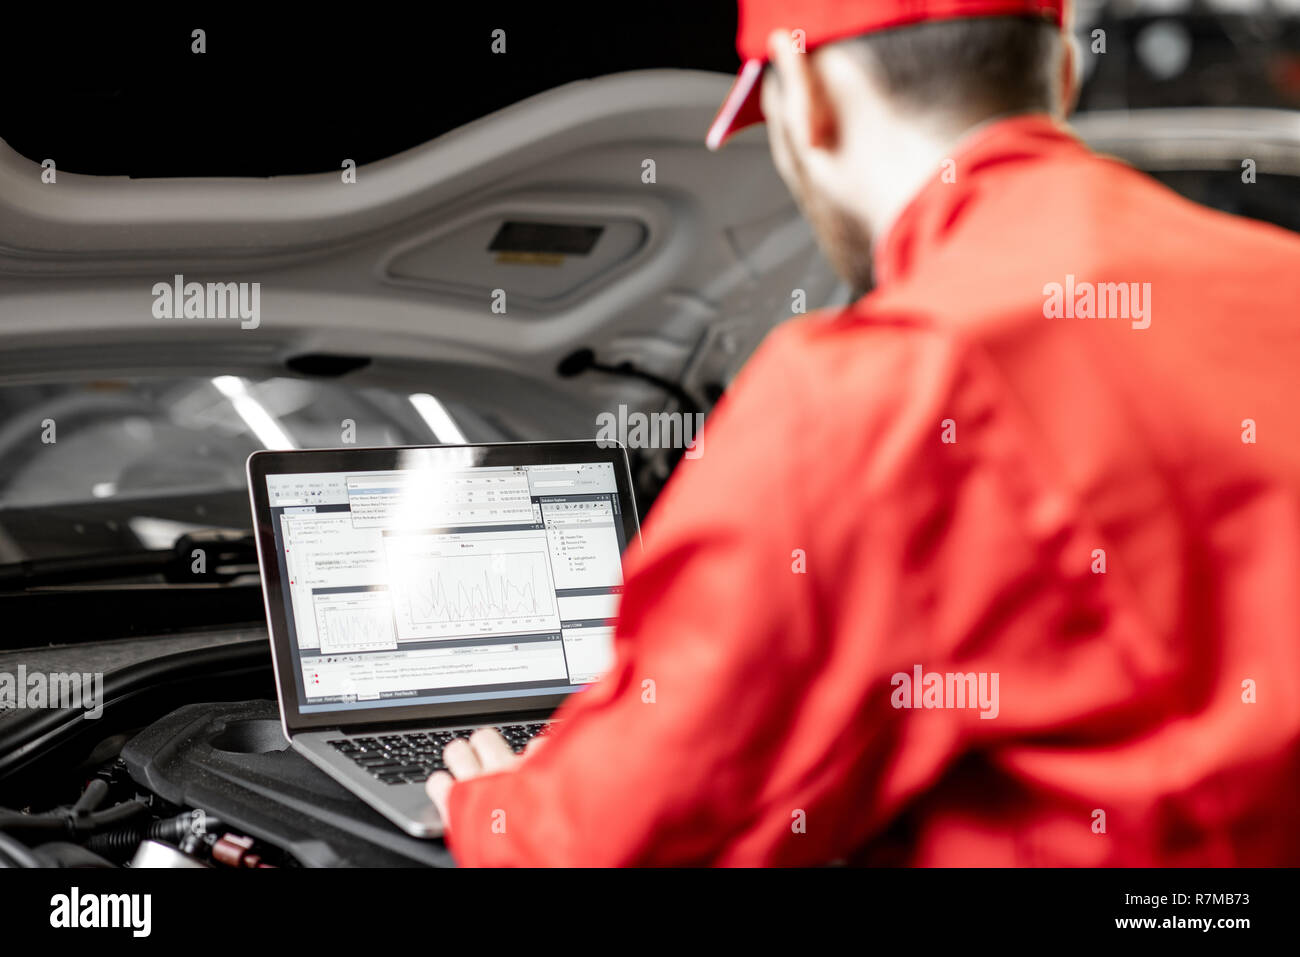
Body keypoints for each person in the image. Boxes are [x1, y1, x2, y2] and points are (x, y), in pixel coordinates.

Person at [426, 0, 1300, 865]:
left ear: (804, 92)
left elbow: (618, 837)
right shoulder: (1280, 281)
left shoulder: (873, 391)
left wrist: (499, 808)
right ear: (1062, 71)